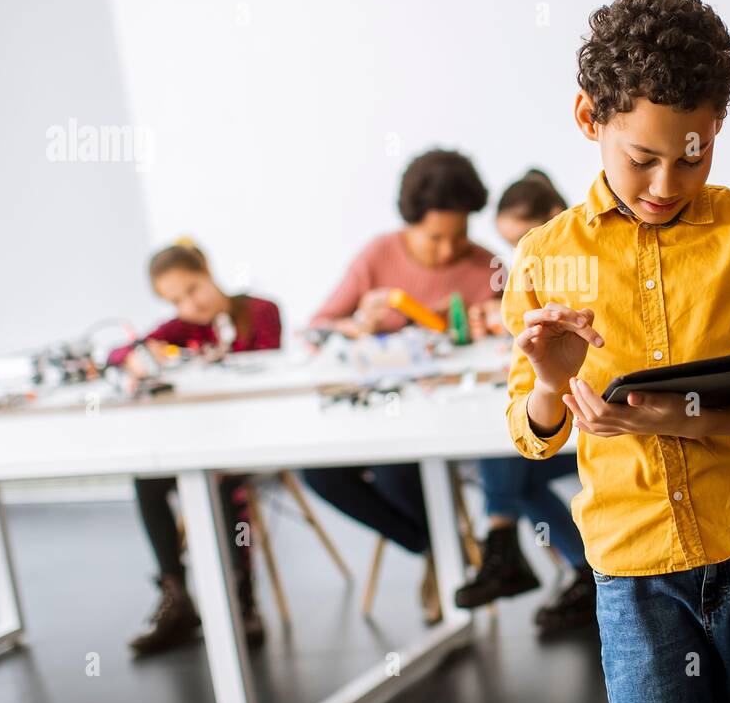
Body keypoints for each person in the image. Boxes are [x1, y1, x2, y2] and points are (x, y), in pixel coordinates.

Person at [501, 0, 730, 703]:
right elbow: (531, 437)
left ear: (718, 128)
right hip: (634, 574)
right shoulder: (543, 257)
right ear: (587, 117)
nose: (668, 183)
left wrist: (695, 417)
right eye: (643, 158)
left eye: (692, 157)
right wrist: (547, 386)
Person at [302, 149, 500, 624]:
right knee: (320, 473)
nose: (450, 251)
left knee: (395, 470)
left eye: (460, 234)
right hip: (382, 408)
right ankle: (437, 545)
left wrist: (494, 323)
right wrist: (356, 324)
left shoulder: (487, 266)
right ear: (410, 220)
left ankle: (442, 551)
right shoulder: (378, 256)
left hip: (455, 413)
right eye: (435, 237)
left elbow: (513, 336)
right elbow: (316, 329)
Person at [107, 239, 281, 655]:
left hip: (253, 439)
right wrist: (135, 355)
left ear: (206, 269)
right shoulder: (179, 329)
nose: (189, 305)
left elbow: (271, 367)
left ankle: (243, 599)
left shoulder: (260, 312)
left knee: (224, 483)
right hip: (204, 441)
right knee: (148, 480)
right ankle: (176, 597)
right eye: (175, 300)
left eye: (193, 289)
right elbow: (118, 354)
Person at [454, 170, 595, 636]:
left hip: (593, 418)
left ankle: (502, 545)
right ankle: (581, 569)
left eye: (522, 238)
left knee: (505, 461)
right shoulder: (533, 271)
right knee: (515, 469)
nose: (519, 252)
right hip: (557, 420)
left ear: (552, 218)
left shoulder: (585, 261)